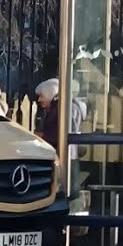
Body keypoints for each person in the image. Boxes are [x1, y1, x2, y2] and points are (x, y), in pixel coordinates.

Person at [35, 78, 87, 211]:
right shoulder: (64, 108)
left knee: (65, 192)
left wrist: (42, 136)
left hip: (63, 157)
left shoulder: (62, 109)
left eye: (42, 96)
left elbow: (61, 134)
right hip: (68, 156)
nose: (39, 100)